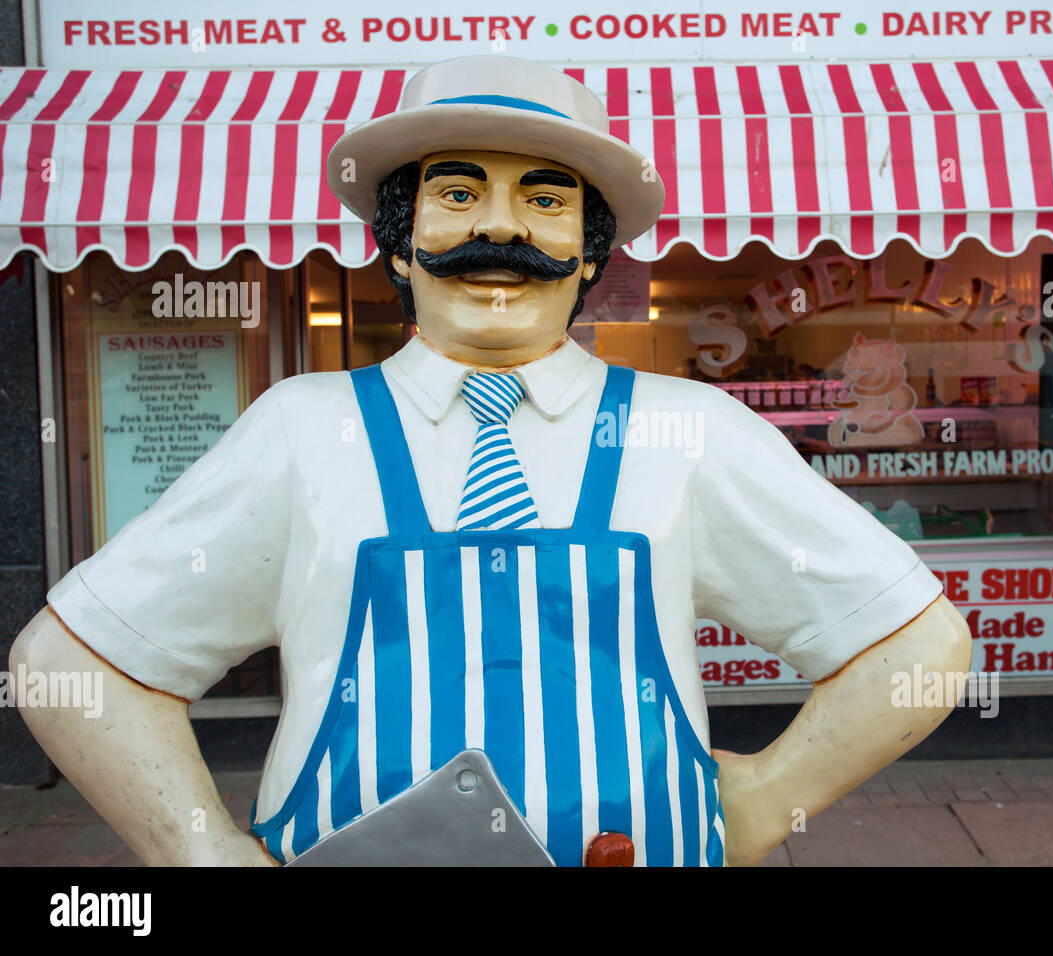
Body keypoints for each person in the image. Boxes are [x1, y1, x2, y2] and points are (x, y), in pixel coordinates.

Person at [12, 56, 971, 867]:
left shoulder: (693, 433)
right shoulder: (300, 433)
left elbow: (917, 649)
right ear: (399, 244)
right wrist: (208, 856)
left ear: (591, 255)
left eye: (545, 200)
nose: (502, 229)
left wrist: (769, 796)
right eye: (458, 194)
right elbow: (75, 663)